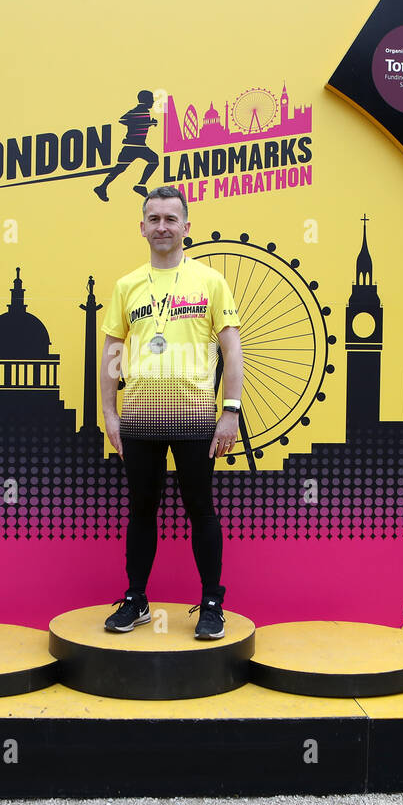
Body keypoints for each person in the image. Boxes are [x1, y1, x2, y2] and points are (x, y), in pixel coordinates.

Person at [99, 185, 243, 639]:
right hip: (139, 418)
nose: (162, 226)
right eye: (154, 219)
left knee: (201, 509)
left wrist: (231, 411)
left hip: (197, 418)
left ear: (186, 227)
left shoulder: (210, 282)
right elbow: (113, 352)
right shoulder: (126, 286)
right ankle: (136, 598)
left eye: (170, 219)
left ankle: (212, 602)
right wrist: (109, 412)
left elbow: (232, 351)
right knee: (142, 509)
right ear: (142, 227)